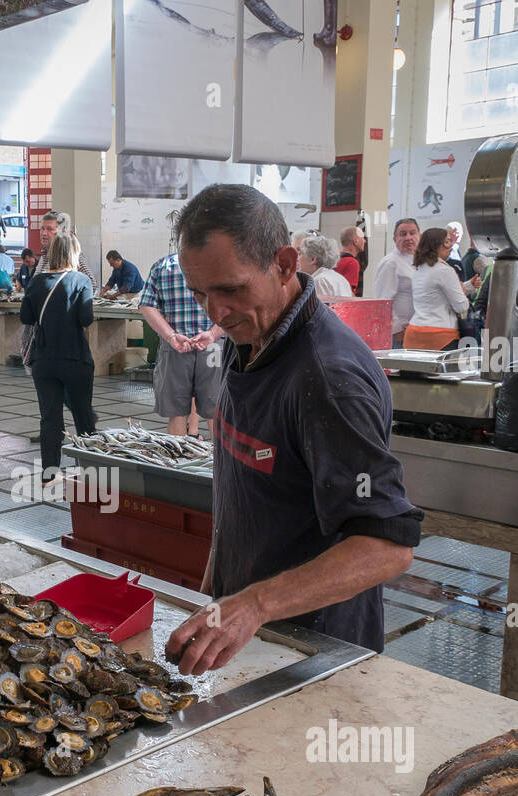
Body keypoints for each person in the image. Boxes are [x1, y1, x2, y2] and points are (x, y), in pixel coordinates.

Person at [162, 184, 420, 667]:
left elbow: (388, 546)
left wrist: (255, 604)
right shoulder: (252, 333)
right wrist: (216, 587)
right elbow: (247, 486)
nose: (213, 313)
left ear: (284, 264)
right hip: (246, 633)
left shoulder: (328, 378)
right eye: (200, 293)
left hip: (317, 648)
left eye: (231, 289)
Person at [21, 233, 96, 481]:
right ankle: (89, 470)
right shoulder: (81, 280)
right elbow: (86, 319)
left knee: (50, 418)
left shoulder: (36, 281)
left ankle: (49, 473)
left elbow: (26, 318)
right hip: (75, 358)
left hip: (44, 360)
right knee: (83, 416)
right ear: (74, 253)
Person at [139, 251, 225, 439]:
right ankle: (221, 466)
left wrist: (171, 336)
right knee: (217, 413)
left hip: (175, 347)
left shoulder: (162, 266)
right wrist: (212, 333)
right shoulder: (219, 261)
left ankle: (177, 465)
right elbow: (234, 304)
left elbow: (146, 305)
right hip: (212, 347)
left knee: (176, 413)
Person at [405, 227, 477, 350]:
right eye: (447, 241)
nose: (450, 246)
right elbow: (461, 306)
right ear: (437, 245)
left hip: (414, 333)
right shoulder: (445, 270)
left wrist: (466, 286)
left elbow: (435, 295)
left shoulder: (418, 268)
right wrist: (463, 291)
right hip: (440, 336)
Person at [372, 217, 420, 347]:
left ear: (419, 236)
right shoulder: (390, 263)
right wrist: (397, 330)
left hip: (417, 330)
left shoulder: (420, 262)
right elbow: (383, 301)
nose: (408, 238)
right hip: (399, 333)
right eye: (403, 234)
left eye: (412, 233)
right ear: (395, 239)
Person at [297, 233, 353, 301]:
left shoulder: (320, 281)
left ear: (313, 259)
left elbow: (319, 310)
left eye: (300, 254)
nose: (297, 258)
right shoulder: (340, 278)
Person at [334, 225, 364, 293]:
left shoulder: (335, 259)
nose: (364, 241)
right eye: (362, 238)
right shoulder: (352, 263)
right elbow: (348, 293)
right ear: (356, 241)